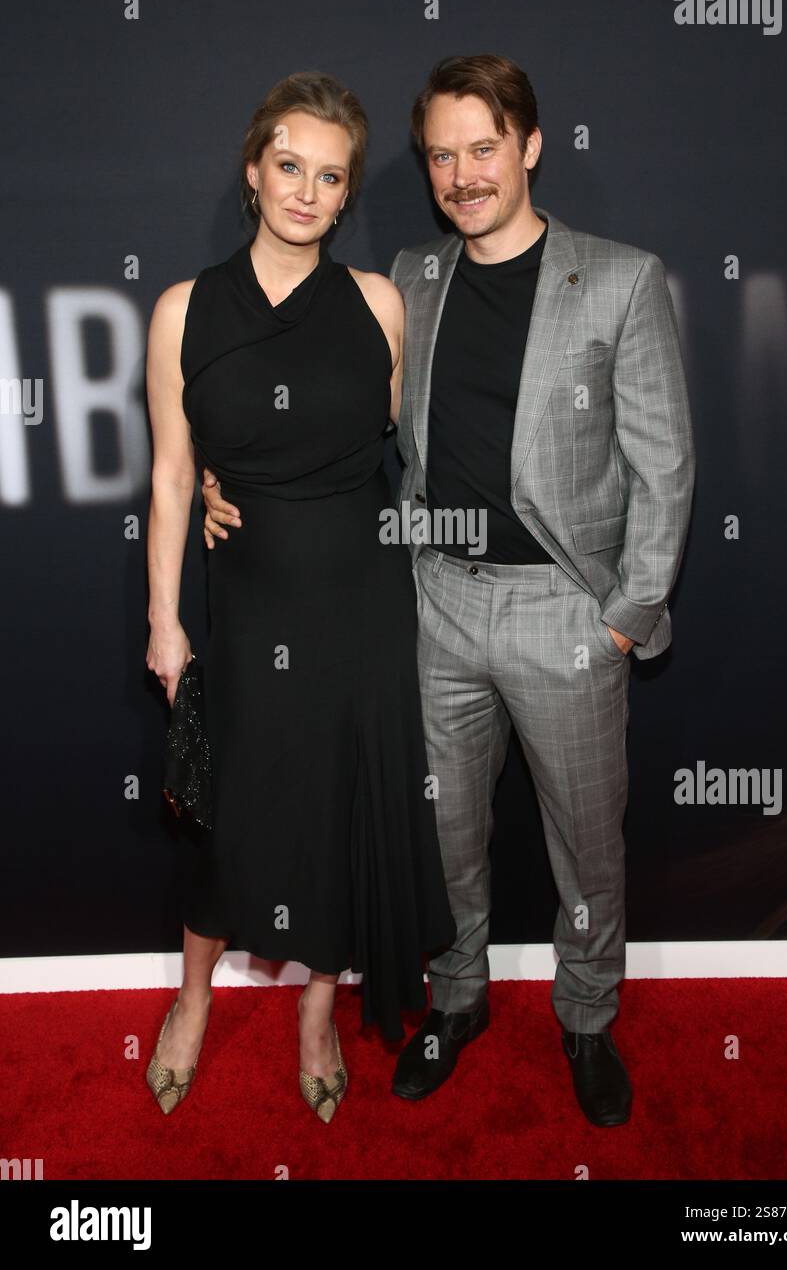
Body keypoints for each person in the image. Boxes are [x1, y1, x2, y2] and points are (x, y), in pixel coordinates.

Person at [202, 53, 696, 1127]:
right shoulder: (411, 280)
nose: (462, 173)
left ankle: (585, 1016)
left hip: (565, 613)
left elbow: (664, 469)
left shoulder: (619, 278)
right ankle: (456, 999)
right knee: (444, 836)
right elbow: (313, 407)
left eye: (482, 148)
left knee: (584, 842)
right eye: (440, 155)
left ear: (527, 146)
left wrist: (622, 618)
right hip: (430, 602)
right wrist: (213, 471)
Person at [144, 71, 455, 1124]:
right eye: (289, 167)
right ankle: (190, 1000)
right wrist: (164, 616)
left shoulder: (377, 302)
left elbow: (406, 459)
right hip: (252, 602)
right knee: (229, 818)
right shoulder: (184, 309)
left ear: (345, 193)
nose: (306, 192)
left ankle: (318, 1014)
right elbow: (174, 475)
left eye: (330, 177)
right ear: (252, 170)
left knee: (337, 815)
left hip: (362, 605)